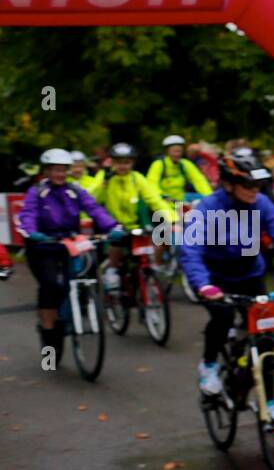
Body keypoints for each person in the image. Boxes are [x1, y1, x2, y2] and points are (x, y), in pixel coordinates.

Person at [180, 148, 274, 395]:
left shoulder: (261, 204)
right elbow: (190, 250)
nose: (255, 189)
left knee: (265, 339)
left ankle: (271, 403)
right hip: (214, 279)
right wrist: (203, 285)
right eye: (248, 184)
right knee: (222, 317)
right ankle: (209, 365)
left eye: (259, 184)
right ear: (228, 184)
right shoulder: (207, 208)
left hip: (249, 275)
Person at [14, 149, 124, 360]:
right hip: (42, 247)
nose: (61, 174)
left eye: (64, 170)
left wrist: (112, 227)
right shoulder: (36, 192)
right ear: (46, 171)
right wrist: (33, 233)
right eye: (56, 170)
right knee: (51, 286)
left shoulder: (75, 190)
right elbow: (27, 215)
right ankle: (48, 333)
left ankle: (79, 306)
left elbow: (95, 210)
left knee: (83, 272)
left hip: (67, 244)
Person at [93, 142, 177, 293]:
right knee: (117, 242)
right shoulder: (105, 177)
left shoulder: (136, 178)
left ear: (132, 162)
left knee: (157, 241)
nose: (123, 166)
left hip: (135, 226)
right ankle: (112, 270)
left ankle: (150, 273)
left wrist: (170, 219)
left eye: (127, 162)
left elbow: (154, 199)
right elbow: (92, 198)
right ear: (112, 162)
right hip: (113, 225)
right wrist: (103, 182)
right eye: (118, 162)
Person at [146, 134, 213, 203]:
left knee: (204, 201)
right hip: (164, 202)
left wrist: (210, 196)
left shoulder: (185, 164)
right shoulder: (158, 164)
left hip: (181, 200)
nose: (177, 154)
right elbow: (151, 184)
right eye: (174, 151)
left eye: (179, 151)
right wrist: (162, 197)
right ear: (167, 152)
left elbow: (199, 180)